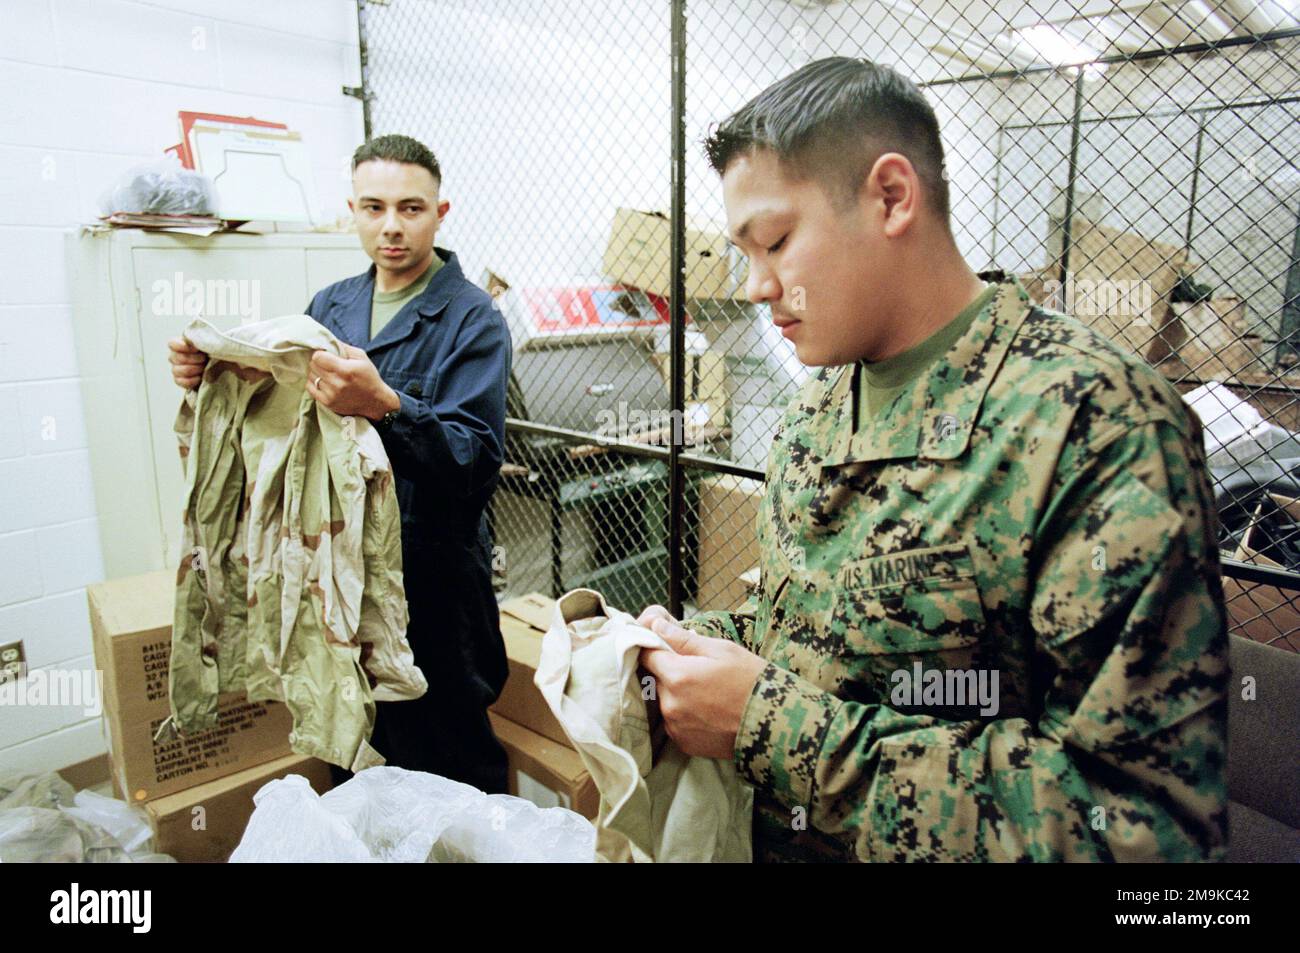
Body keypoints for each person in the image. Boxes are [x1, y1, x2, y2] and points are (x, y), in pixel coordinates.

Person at [636, 57, 1229, 862]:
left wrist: (772, 727)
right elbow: (819, 639)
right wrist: (690, 652)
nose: (753, 285)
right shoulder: (818, 406)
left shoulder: (1098, 424)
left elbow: (1141, 829)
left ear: (890, 196)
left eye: (773, 242)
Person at [168, 134, 511, 794]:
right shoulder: (330, 306)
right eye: (373, 206)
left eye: (411, 208)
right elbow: (279, 417)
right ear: (350, 209)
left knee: (450, 763)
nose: (391, 226)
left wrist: (386, 405)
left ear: (442, 212)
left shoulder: (473, 319)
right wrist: (207, 374)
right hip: (333, 576)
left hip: (430, 588)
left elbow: (473, 465)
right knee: (350, 739)